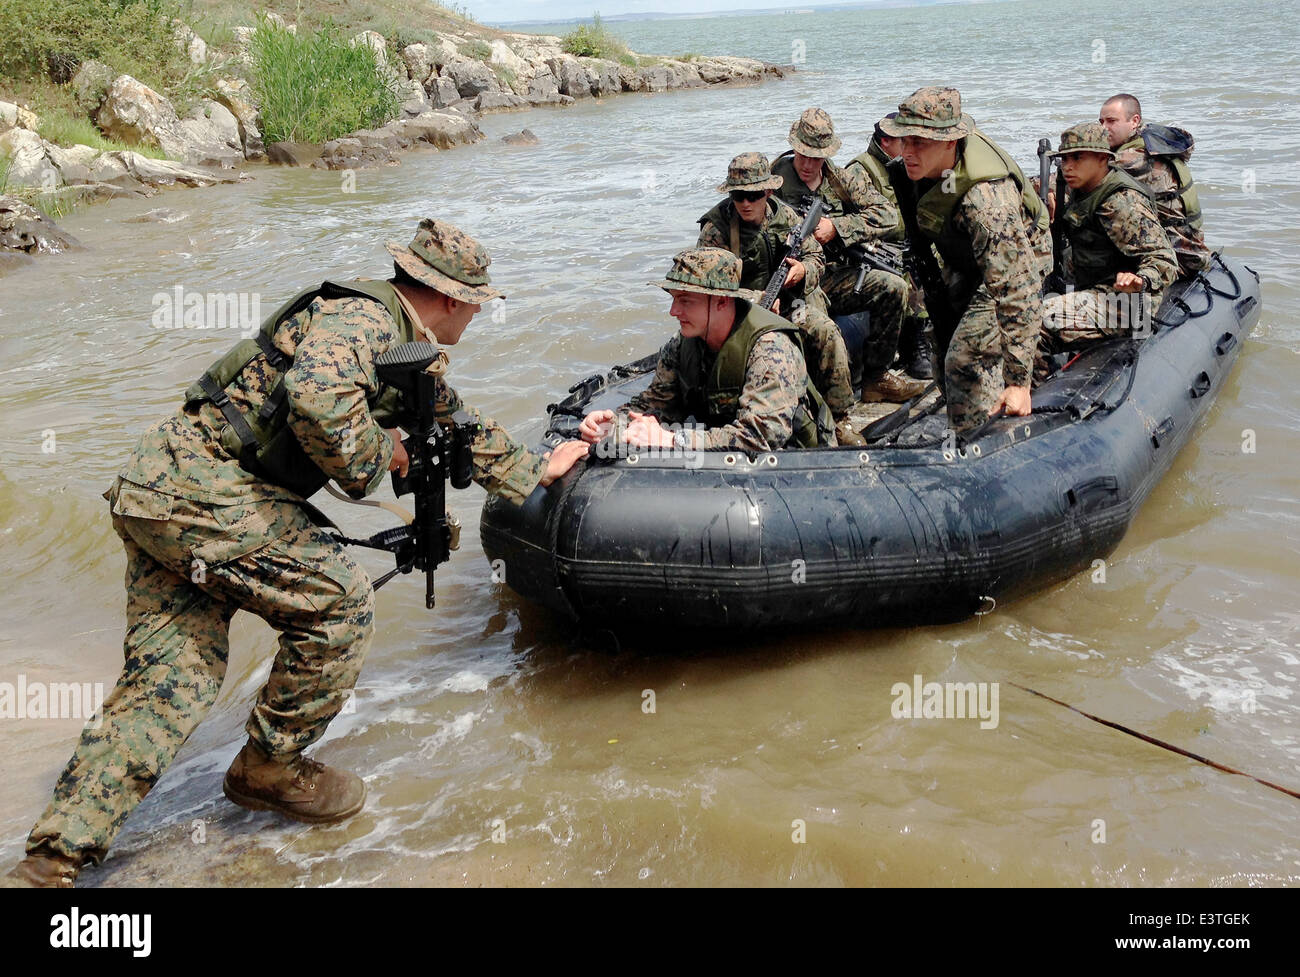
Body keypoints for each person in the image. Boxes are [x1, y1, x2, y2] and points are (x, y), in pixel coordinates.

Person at [2, 218, 588, 888]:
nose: (478, 316)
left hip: (160, 490)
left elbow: (455, 420)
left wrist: (536, 468)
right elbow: (316, 399)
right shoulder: (364, 318)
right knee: (338, 602)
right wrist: (383, 455)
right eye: (478, 304)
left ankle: (50, 861)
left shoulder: (398, 342)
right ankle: (270, 767)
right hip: (206, 488)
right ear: (452, 299)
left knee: (170, 683)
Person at [880, 86, 1051, 435]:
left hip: (1020, 261)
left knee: (964, 358)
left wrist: (1019, 382)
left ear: (948, 142)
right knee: (940, 340)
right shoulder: (914, 171)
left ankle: (980, 438)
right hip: (967, 255)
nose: (907, 152)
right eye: (904, 140)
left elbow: (1018, 288)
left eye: (920, 143)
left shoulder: (987, 200)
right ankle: (961, 416)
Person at [579, 248, 834, 453]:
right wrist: (615, 423)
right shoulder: (681, 345)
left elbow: (762, 437)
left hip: (793, 459)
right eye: (674, 299)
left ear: (722, 301)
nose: (673, 312)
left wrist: (672, 440)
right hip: (722, 448)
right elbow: (657, 402)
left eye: (686, 301)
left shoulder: (770, 350)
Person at [695, 152, 863, 445]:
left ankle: (840, 419)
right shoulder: (716, 230)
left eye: (754, 195)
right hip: (736, 314)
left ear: (769, 191)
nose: (746, 204)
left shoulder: (788, 218)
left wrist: (801, 271)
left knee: (826, 332)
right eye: (738, 196)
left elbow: (815, 256)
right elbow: (707, 287)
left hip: (785, 305)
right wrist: (751, 298)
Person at [771, 108, 924, 397]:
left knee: (894, 287)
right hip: (796, 278)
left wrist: (837, 228)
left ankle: (876, 378)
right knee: (819, 325)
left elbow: (887, 214)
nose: (807, 164)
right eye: (802, 155)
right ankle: (829, 403)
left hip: (835, 273)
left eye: (816, 157)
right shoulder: (773, 182)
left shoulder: (840, 179)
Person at [1037, 123, 1178, 368]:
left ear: (1103, 159)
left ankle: (1029, 399)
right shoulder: (1078, 186)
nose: (1068, 166)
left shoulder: (1122, 203)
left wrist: (1141, 280)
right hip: (1090, 289)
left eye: (1078, 158)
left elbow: (1164, 259)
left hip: (1127, 304)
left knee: (1032, 323)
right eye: (1065, 159)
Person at [1098, 93, 1210, 276]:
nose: (1103, 128)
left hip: (1178, 258)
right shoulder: (1152, 143)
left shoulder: (1137, 158)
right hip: (1191, 247)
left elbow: (1089, 174)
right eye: (1101, 122)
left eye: (1111, 121)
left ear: (1134, 121)